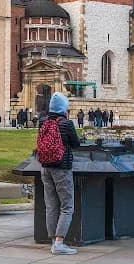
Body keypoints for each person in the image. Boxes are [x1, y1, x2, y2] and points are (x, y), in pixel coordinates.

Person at [38, 92, 81, 255]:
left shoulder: (43, 122)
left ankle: (52, 241)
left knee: (51, 205)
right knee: (67, 206)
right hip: (62, 168)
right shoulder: (66, 123)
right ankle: (59, 243)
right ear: (64, 107)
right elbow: (75, 144)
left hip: (45, 167)